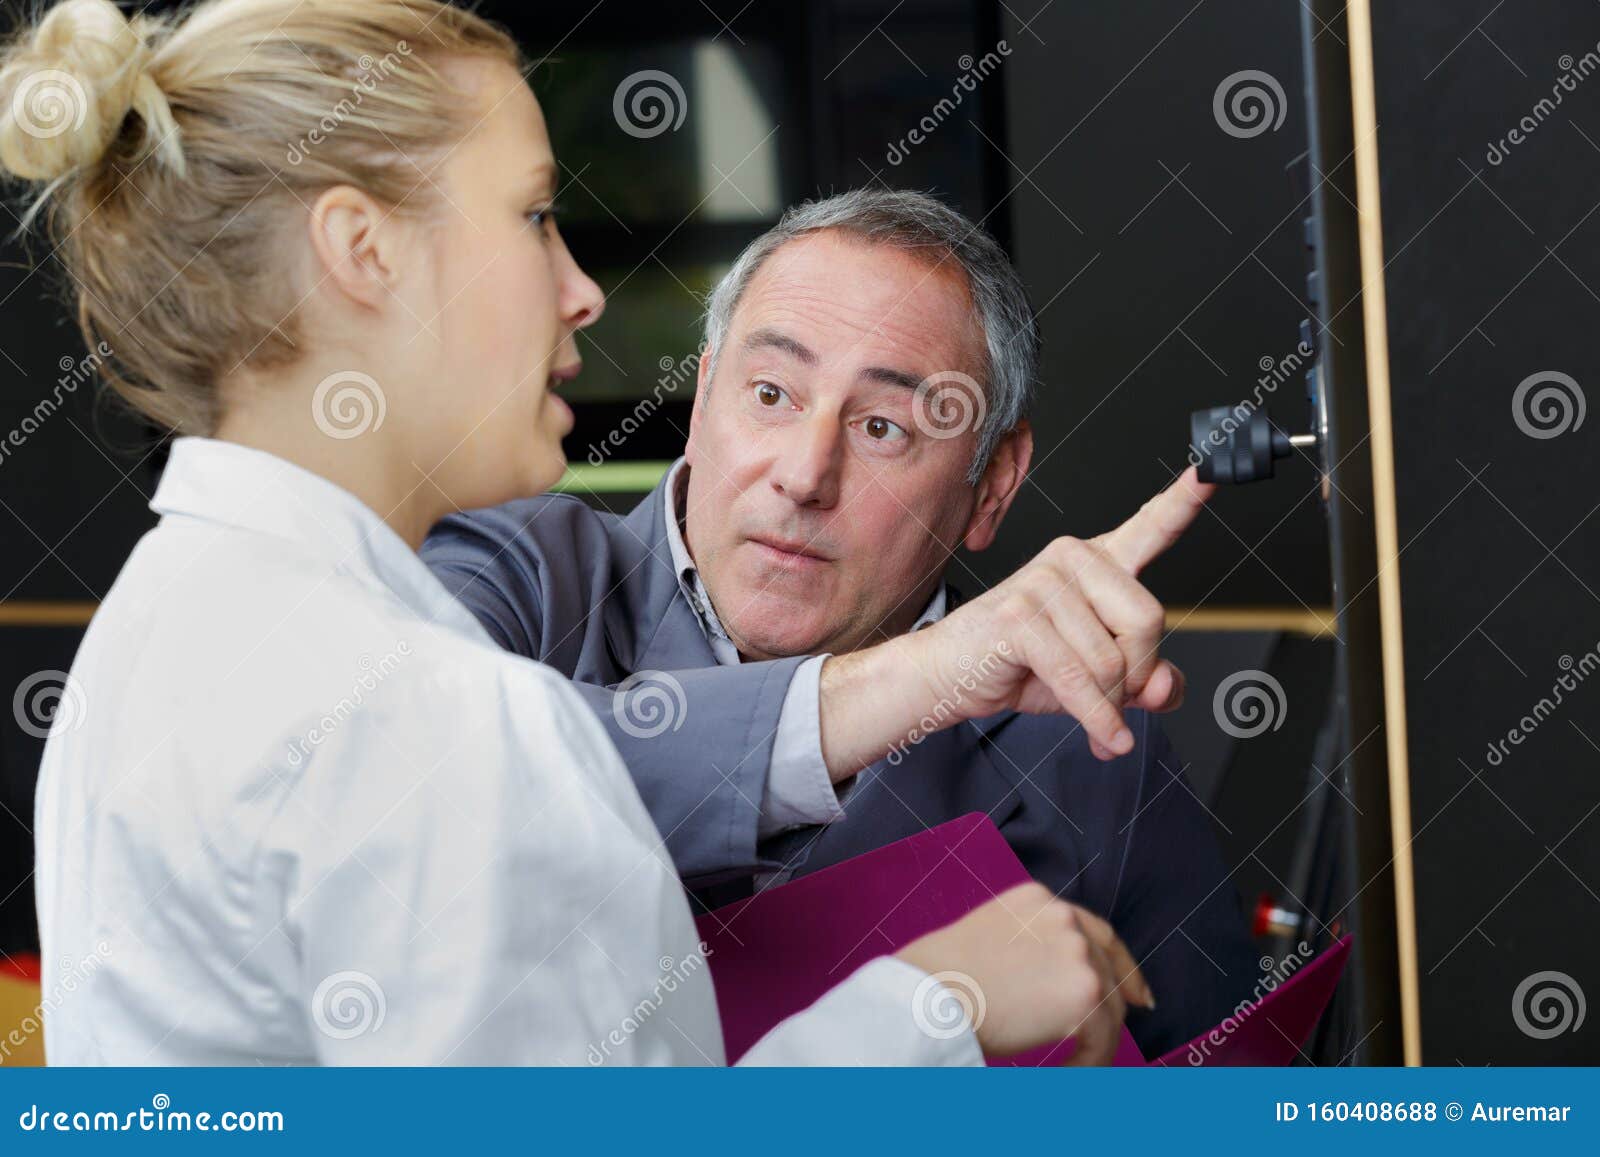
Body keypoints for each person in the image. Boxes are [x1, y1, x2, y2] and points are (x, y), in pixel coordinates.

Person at [4, 0, 1152, 1065]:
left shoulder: (158, 626)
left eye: (889, 422)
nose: (583, 290)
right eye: (534, 216)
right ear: (363, 251)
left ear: (991, 477)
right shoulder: (434, 709)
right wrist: (940, 1002)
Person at [421, 189, 1260, 1057]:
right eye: (773, 392)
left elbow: (1231, 1098)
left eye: (883, 426)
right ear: (705, 396)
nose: (803, 473)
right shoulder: (512, 572)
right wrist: (920, 679)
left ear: (993, 486)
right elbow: (461, 783)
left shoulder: (1086, 740)